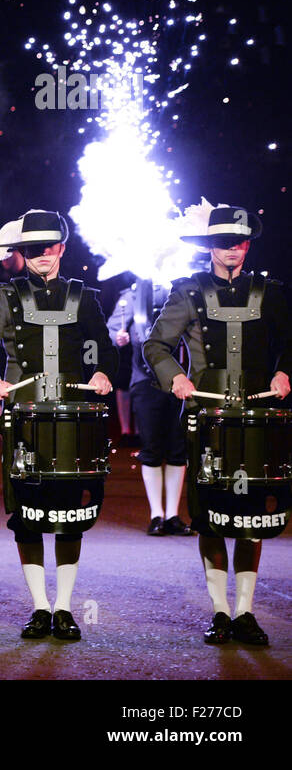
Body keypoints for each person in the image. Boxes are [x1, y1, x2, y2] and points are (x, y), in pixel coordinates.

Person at [143, 203, 290, 646]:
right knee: (210, 517)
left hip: (259, 418)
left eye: (240, 242)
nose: (233, 250)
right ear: (209, 245)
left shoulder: (270, 291)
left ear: (248, 245)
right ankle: (220, 611)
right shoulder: (187, 292)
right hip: (207, 418)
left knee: (249, 519)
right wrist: (176, 377)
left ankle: (245, 611)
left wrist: (285, 372)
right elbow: (156, 346)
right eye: (224, 242)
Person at [0, 209, 115, 642]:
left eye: (49, 248)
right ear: (22, 252)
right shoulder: (4, 296)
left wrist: (104, 371)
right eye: (33, 249)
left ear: (62, 249)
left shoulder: (83, 297)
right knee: (28, 517)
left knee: (68, 514)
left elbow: (105, 350)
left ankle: (65, 608)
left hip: (73, 421)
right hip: (24, 422)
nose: (42, 256)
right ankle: (39, 607)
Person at [108, 276, 189, 535]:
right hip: (145, 381)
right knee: (152, 447)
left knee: (178, 448)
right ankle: (157, 515)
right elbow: (111, 327)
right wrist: (117, 336)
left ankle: (174, 515)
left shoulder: (183, 293)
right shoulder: (132, 296)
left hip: (182, 380)